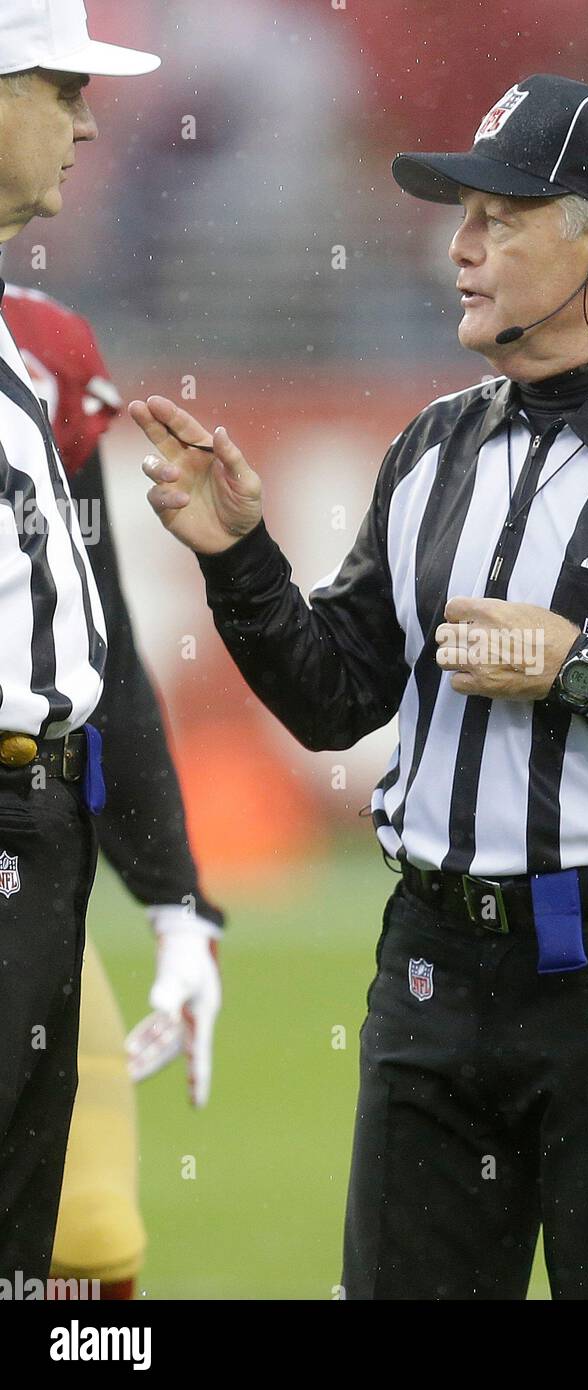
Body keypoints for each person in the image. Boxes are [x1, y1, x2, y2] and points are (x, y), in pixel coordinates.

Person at [131, 74, 588, 1300]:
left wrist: (582, 666)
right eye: (461, 213)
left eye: (500, 217)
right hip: (430, 967)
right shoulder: (431, 446)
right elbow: (336, 699)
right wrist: (239, 559)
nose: (456, 247)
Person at [0, 283, 224, 1300]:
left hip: (20, 835)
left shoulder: (43, 348)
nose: (83, 132)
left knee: (83, 1244)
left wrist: (176, 899)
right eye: (60, 106)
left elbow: (98, 646)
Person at [0, 0, 161, 1282]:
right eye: (61, 87)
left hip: (46, 821)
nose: (88, 120)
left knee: (40, 1247)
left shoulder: (20, 349)